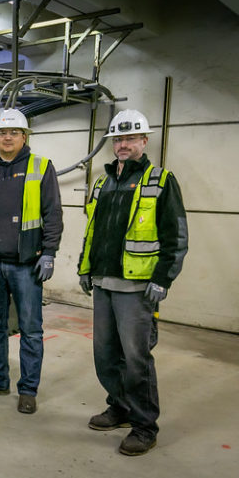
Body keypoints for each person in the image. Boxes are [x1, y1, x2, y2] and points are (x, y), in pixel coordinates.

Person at [78, 109, 188, 456]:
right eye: (118, 139)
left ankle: (144, 425)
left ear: (144, 140)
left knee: (136, 358)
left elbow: (177, 236)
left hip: (138, 288)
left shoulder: (160, 180)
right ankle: (121, 407)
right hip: (104, 282)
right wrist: (85, 268)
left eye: (130, 138)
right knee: (105, 355)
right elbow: (93, 231)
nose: (123, 144)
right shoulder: (104, 181)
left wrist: (163, 277)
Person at [0, 108, 63, 414]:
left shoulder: (41, 166)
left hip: (26, 264)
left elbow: (53, 214)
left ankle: (28, 389)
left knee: (31, 329)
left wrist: (49, 252)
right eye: (2, 133)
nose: (7, 138)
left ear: (24, 137)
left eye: (13, 133)